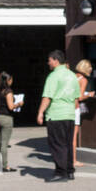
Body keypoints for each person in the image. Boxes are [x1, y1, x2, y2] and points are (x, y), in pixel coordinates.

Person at [37, 50, 79, 182]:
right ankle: (69, 170)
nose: (48, 62)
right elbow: (76, 98)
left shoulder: (53, 76)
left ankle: (61, 172)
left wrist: (40, 112)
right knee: (67, 143)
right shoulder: (72, 76)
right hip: (70, 114)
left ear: (56, 60)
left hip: (56, 114)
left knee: (57, 144)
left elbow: (47, 96)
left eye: (49, 60)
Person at [0, 72, 20, 173]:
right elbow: (11, 107)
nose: (12, 81)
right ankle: (4, 165)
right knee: (4, 143)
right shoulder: (8, 91)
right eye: (11, 79)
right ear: (8, 80)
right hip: (6, 118)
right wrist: (19, 104)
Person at [73, 59, 96, 168]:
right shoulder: (83, 80)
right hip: (75, 108)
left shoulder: (72, 76)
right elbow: (80, 97)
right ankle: (73, 160)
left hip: (67, 107)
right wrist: (89, 95)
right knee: (73, 136)